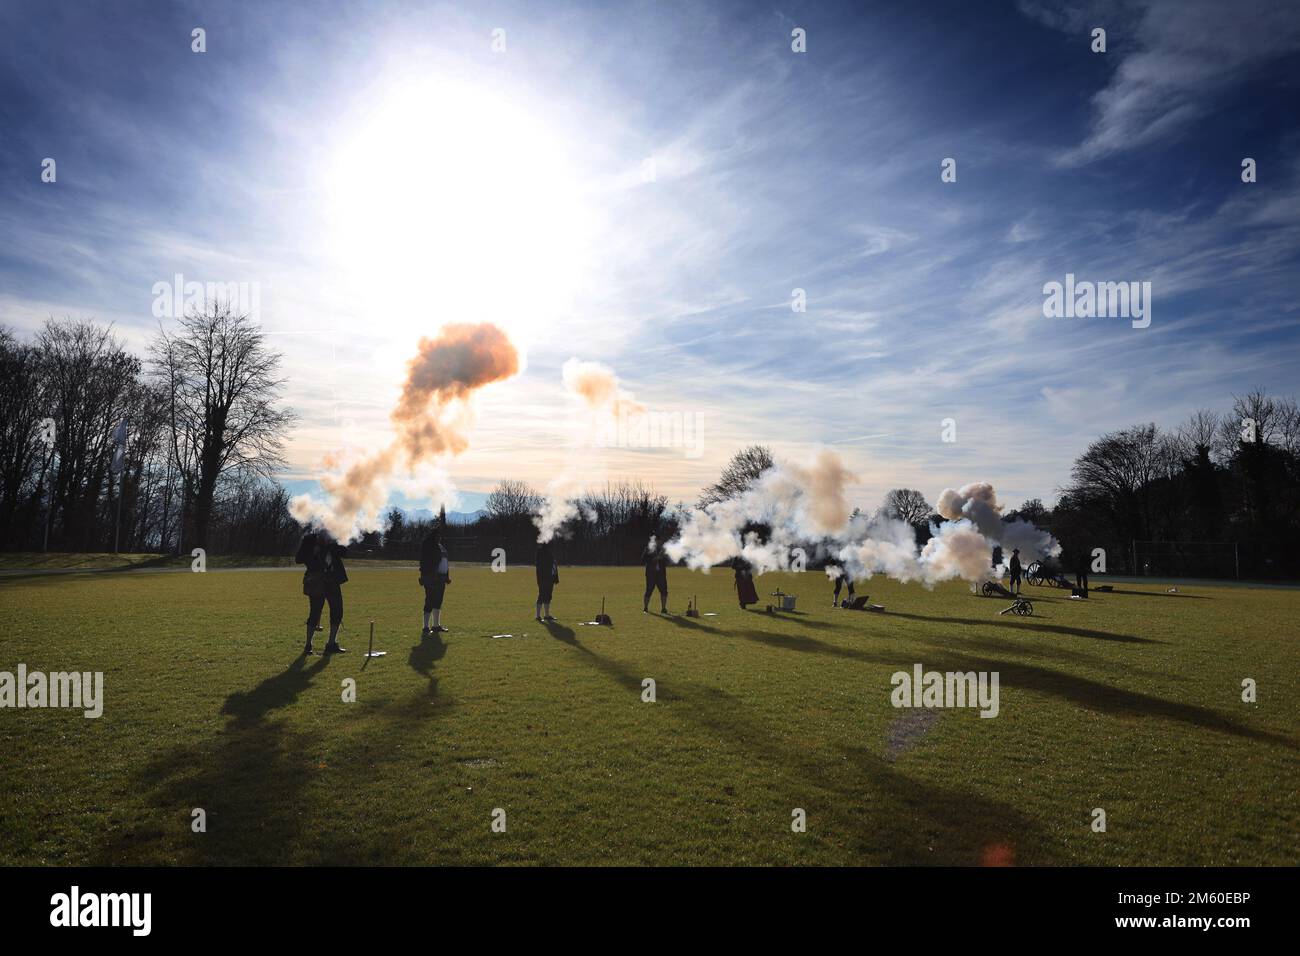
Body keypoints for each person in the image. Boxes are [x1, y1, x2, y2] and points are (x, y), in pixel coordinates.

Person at [296, 529, 348, 655]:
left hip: (333, 581)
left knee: (337, 611)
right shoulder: (309, 539)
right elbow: (298, 559)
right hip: (316, 581)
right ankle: (308, 645)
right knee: (315, 613)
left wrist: (331, 545)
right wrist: (314, 551)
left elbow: (344, 552)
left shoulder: (335, 538)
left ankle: (331, 644)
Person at [419, 527, 451, 634]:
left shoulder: (440, 546)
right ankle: (425, 627)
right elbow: (425, 563)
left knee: (438, 602)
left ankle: (436, 625)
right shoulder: (429, 546)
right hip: (432, 578)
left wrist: (446, 577)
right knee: (430, 601)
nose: (439, 537)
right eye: (437, 535)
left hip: (441, 578)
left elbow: (445, 562)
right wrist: (427, 576)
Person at [642, 541, 670, 614]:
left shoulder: (663, 550)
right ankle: (645, 608)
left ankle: (663, 608)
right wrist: (653, 559)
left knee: (664, 591)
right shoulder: (648, 549)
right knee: (649, 590)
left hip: (661, 574)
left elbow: (667, 561)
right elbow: (643, 559)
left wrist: (661, 558)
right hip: (651, 574)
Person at [535, 541, 559, 622]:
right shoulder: (542, 554)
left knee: (548, 596)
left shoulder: (550, 554)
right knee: (542, 595)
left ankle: (546, 615)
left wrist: (555, 577)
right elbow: (542, 568)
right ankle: (538, 616)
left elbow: (554, 566)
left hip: (549, 578)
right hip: (544, 579)